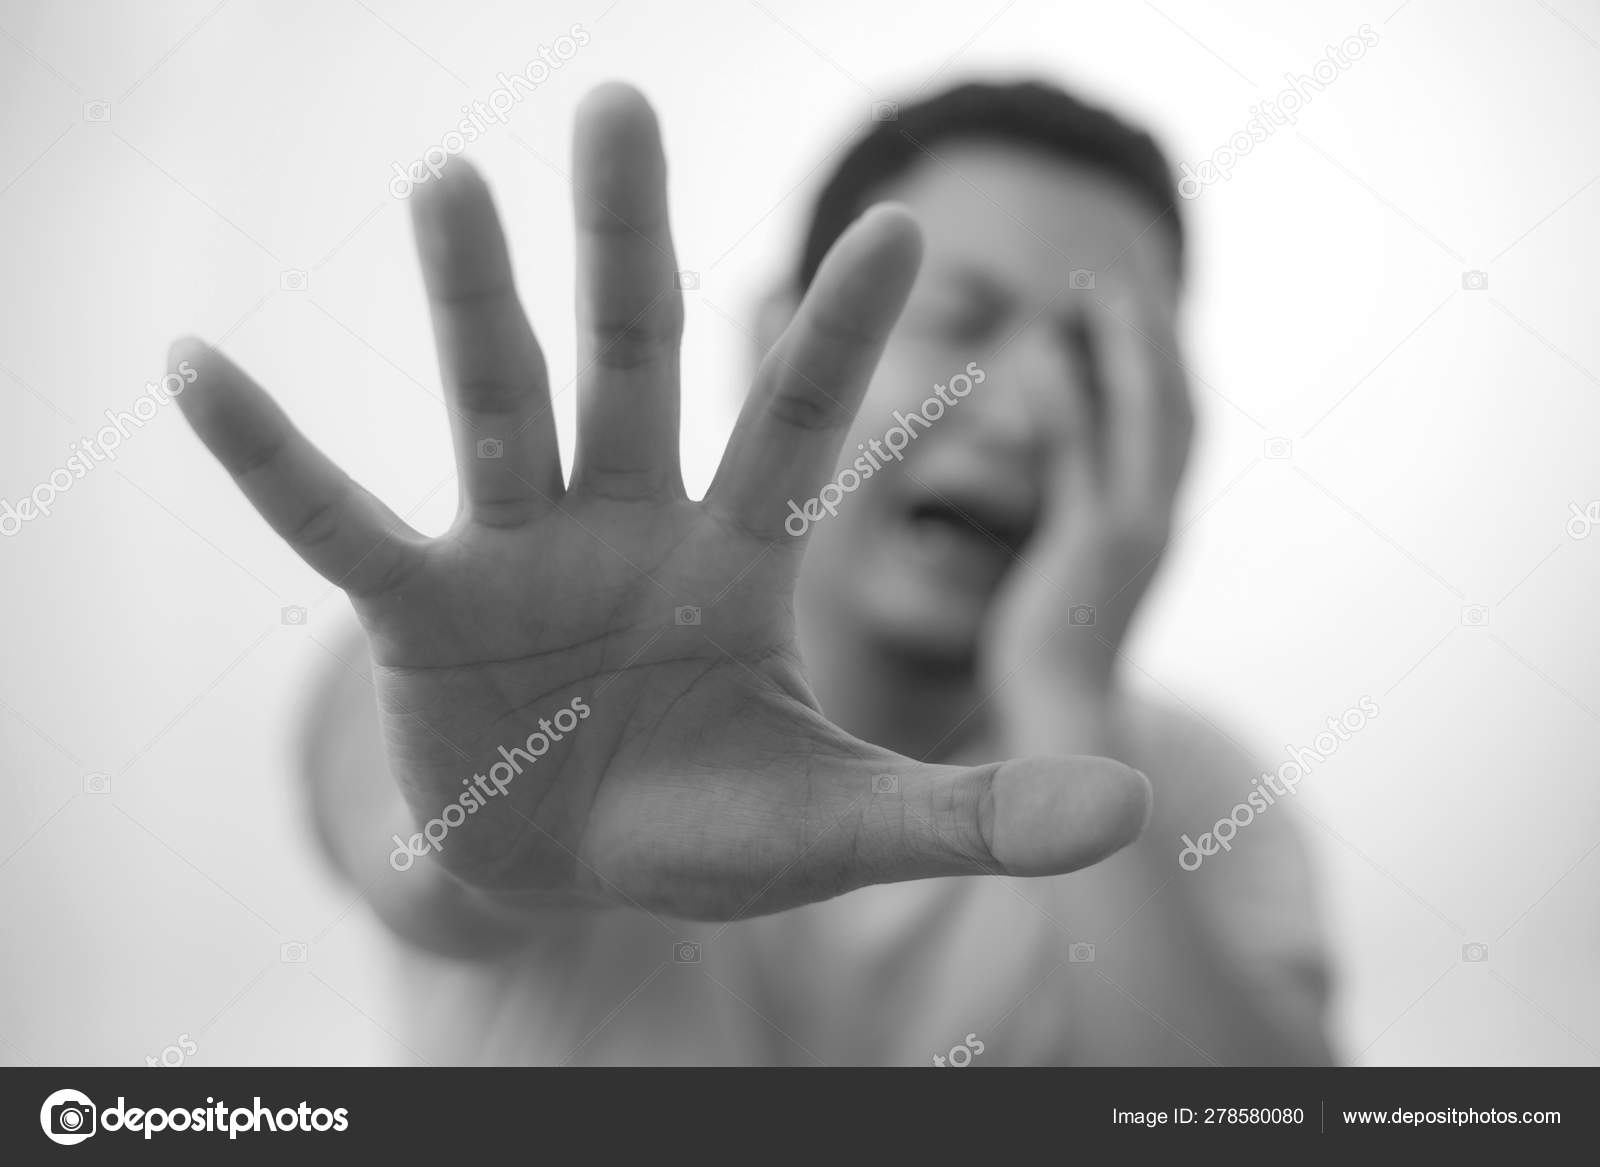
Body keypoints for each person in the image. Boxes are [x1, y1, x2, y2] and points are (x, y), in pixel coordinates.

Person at [172, 79, 1332, 1065]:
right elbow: (411, 847)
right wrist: (502, 849)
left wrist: (1067, 685)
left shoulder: (1189, 789)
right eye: (961, 320)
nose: (1028, 413)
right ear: (780, 338)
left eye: (1092, 362)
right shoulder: (475, 661)